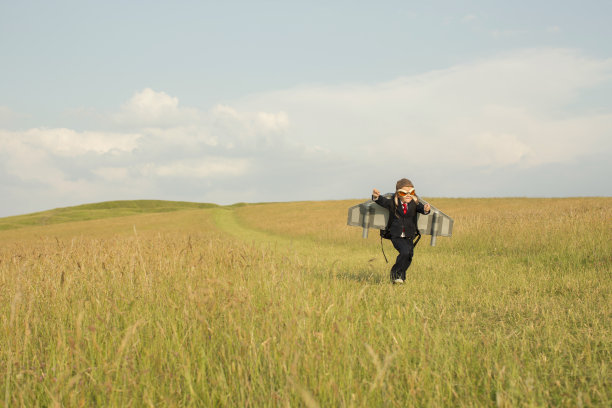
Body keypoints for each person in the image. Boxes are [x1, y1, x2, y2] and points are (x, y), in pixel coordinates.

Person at [372, 178, 430, 284]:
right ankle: (395, 274)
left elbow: (423, 210)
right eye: (404, 193)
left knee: (409, 256)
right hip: (396, 235)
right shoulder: (393, 203)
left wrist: (426, 209)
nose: (408, 195)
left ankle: (401, 278)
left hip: (409, 235)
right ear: (398, 193)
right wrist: (376, 196)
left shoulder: (415, 203)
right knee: (404, 252)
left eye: (411, 192)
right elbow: (382, 201)